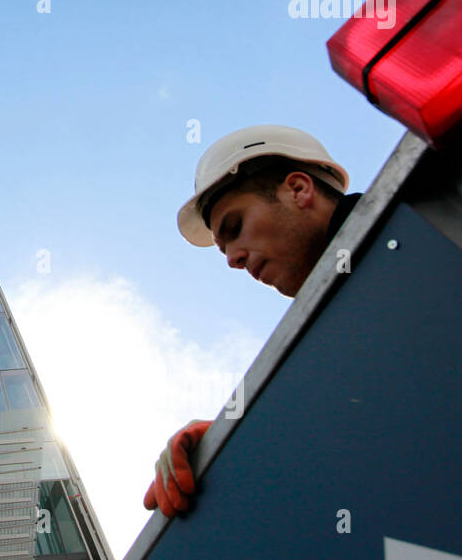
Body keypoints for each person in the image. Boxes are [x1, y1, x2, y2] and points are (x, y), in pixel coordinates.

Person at [144, 125, 362, 519]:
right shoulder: (328, 336)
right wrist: (237, 443)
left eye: (235, 227)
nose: (233, 260)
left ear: (298, 189)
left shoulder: (423, 223)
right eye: (223, 249)